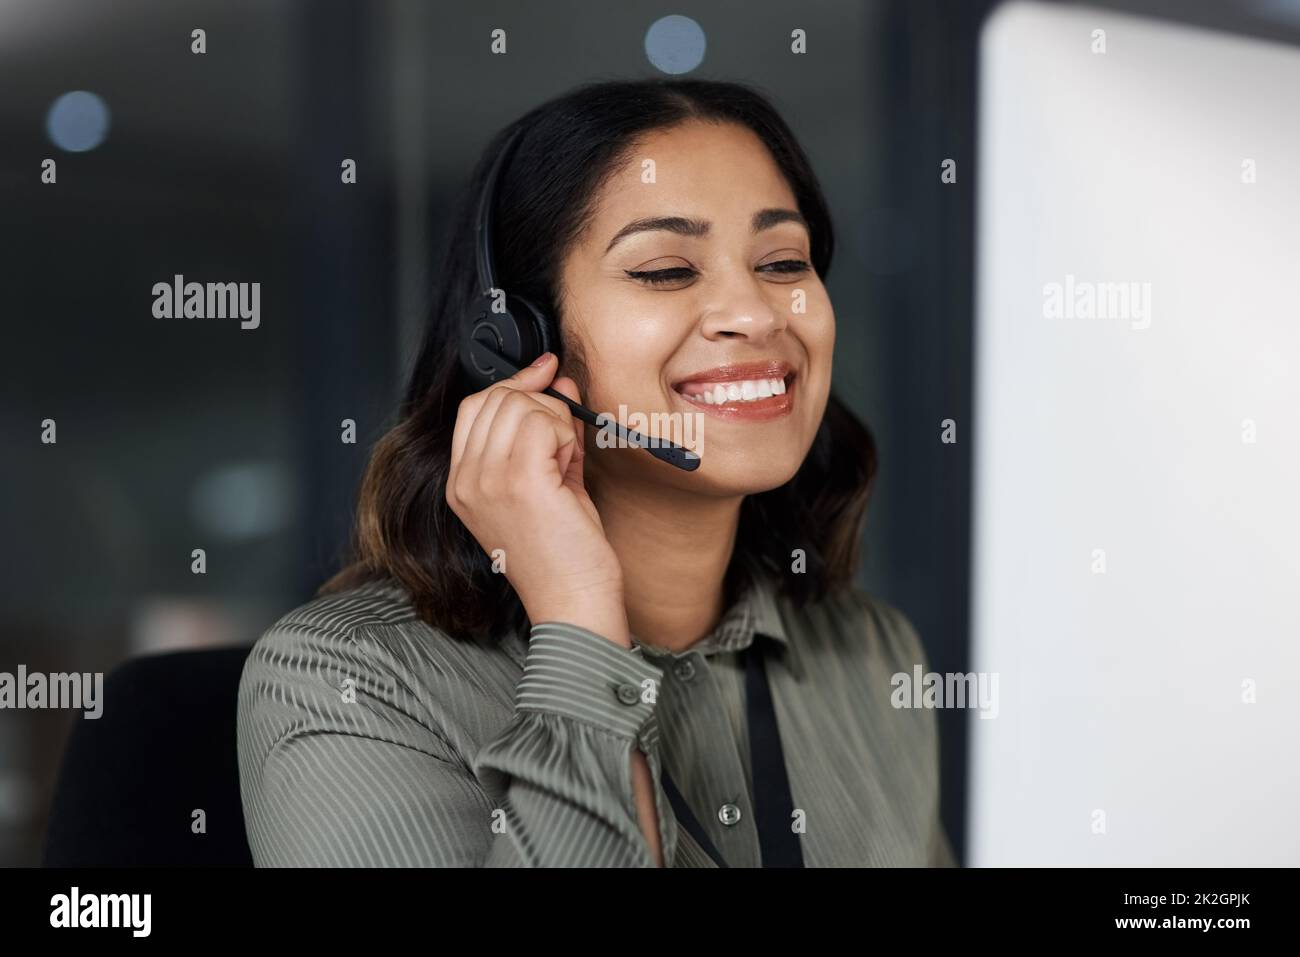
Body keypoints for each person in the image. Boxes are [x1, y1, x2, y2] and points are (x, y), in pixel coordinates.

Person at [236, 77, 957, 868]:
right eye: (666, 270)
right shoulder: (349, 679)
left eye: (783, 260)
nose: (755, 314)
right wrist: (577, 614)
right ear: (514, 339)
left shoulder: (871, 651)